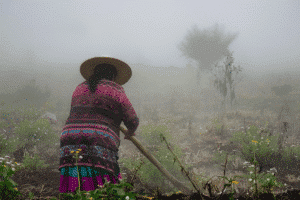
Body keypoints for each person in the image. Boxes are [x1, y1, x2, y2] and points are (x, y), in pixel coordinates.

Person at [59, 56, 139, 193]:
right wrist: (130, 131)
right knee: (105, 187)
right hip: (99, 141)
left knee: (75, 183)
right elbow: (132, 120)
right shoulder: (116, 90)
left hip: (69, 138)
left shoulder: (79, 88)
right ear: (113, 75)